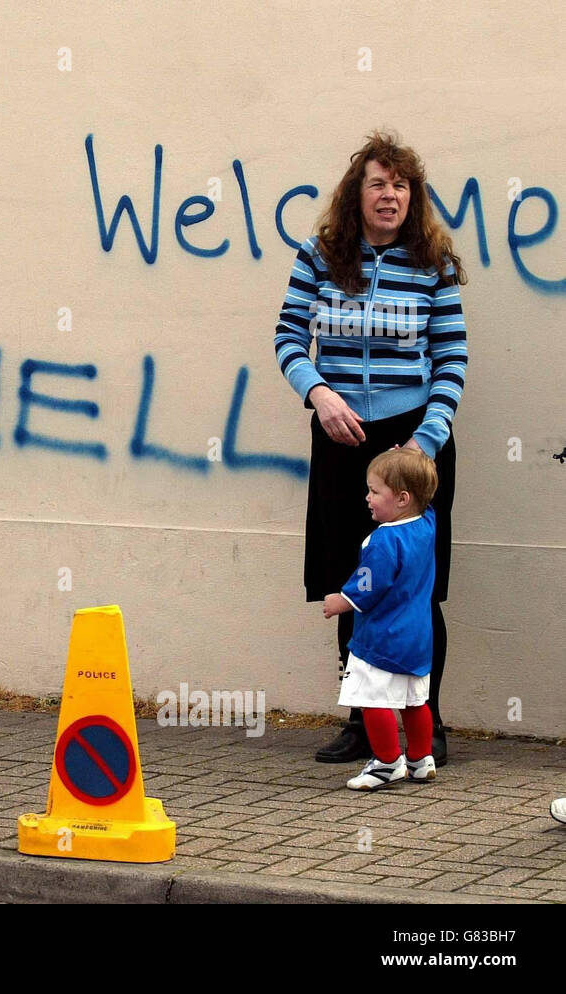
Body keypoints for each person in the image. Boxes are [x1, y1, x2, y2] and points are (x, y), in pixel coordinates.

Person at [274, 131, 467, 766]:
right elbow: (288, 337)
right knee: (352, 578)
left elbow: (451, 362)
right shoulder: (320, 256)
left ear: (414, 197)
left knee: (415, 587)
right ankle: (363, 721)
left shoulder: (433, 262)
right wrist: (320, 394)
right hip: (341, 438)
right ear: (356, 194)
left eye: (402, 185)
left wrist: (424, 441)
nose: (390, 195)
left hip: (412, 441)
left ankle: (424, 728)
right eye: (378, 183)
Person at [323, 449, 438, 789]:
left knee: (372, 700)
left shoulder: (384, 540)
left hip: (382, 638)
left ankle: (387, 763)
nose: (368, 498)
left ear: (402, 498)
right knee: (415, 700)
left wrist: (339, 602)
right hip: (417, 637)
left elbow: (369, 584)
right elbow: (426, 494)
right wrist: (405, 462)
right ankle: (420, 758)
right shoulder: (426, 523)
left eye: (375, 491)